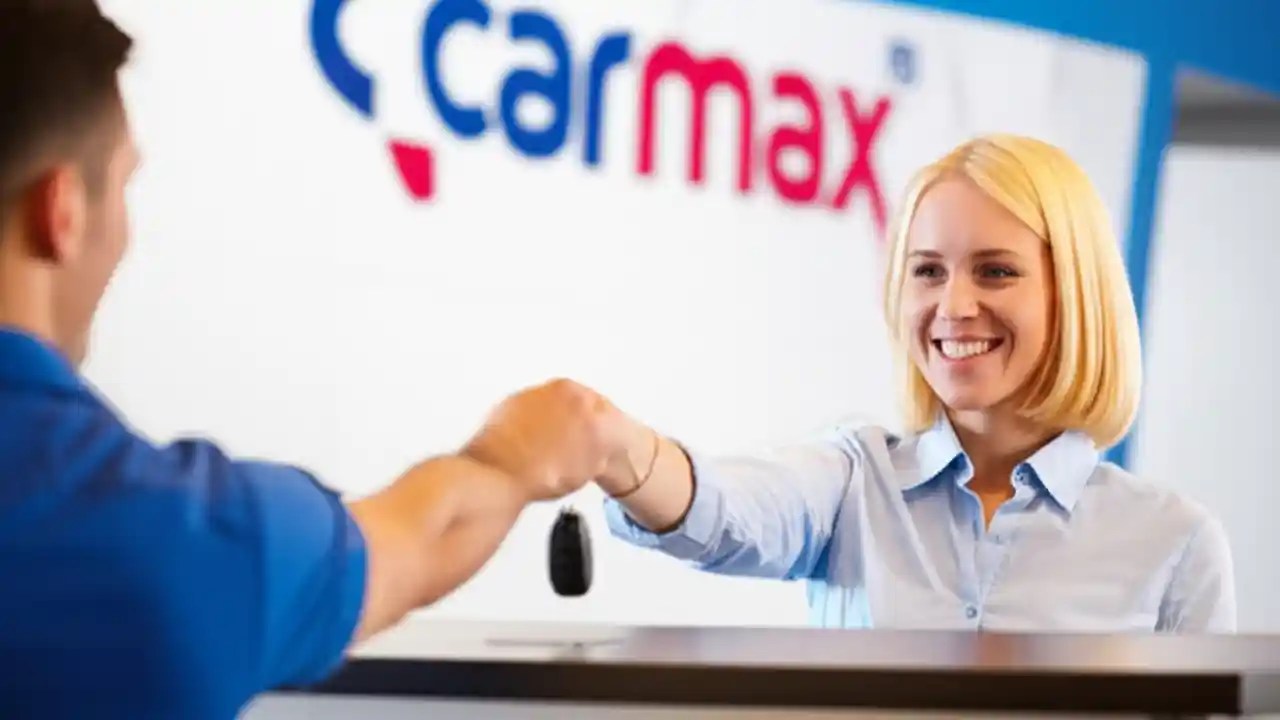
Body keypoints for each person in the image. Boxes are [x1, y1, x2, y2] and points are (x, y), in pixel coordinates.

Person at [0, 3, 625, 718]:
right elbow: (426, 534)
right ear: (62, 212)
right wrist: (516, 457)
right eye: (123, 183)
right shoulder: (165, 538)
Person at [588, 134, 1237, 633]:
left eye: (995, 272)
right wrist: (618, 452)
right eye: (928, 271)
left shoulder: (1175, 543)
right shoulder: (851, 483)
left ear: (1074, 293)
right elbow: (726, 510)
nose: (953, 306)